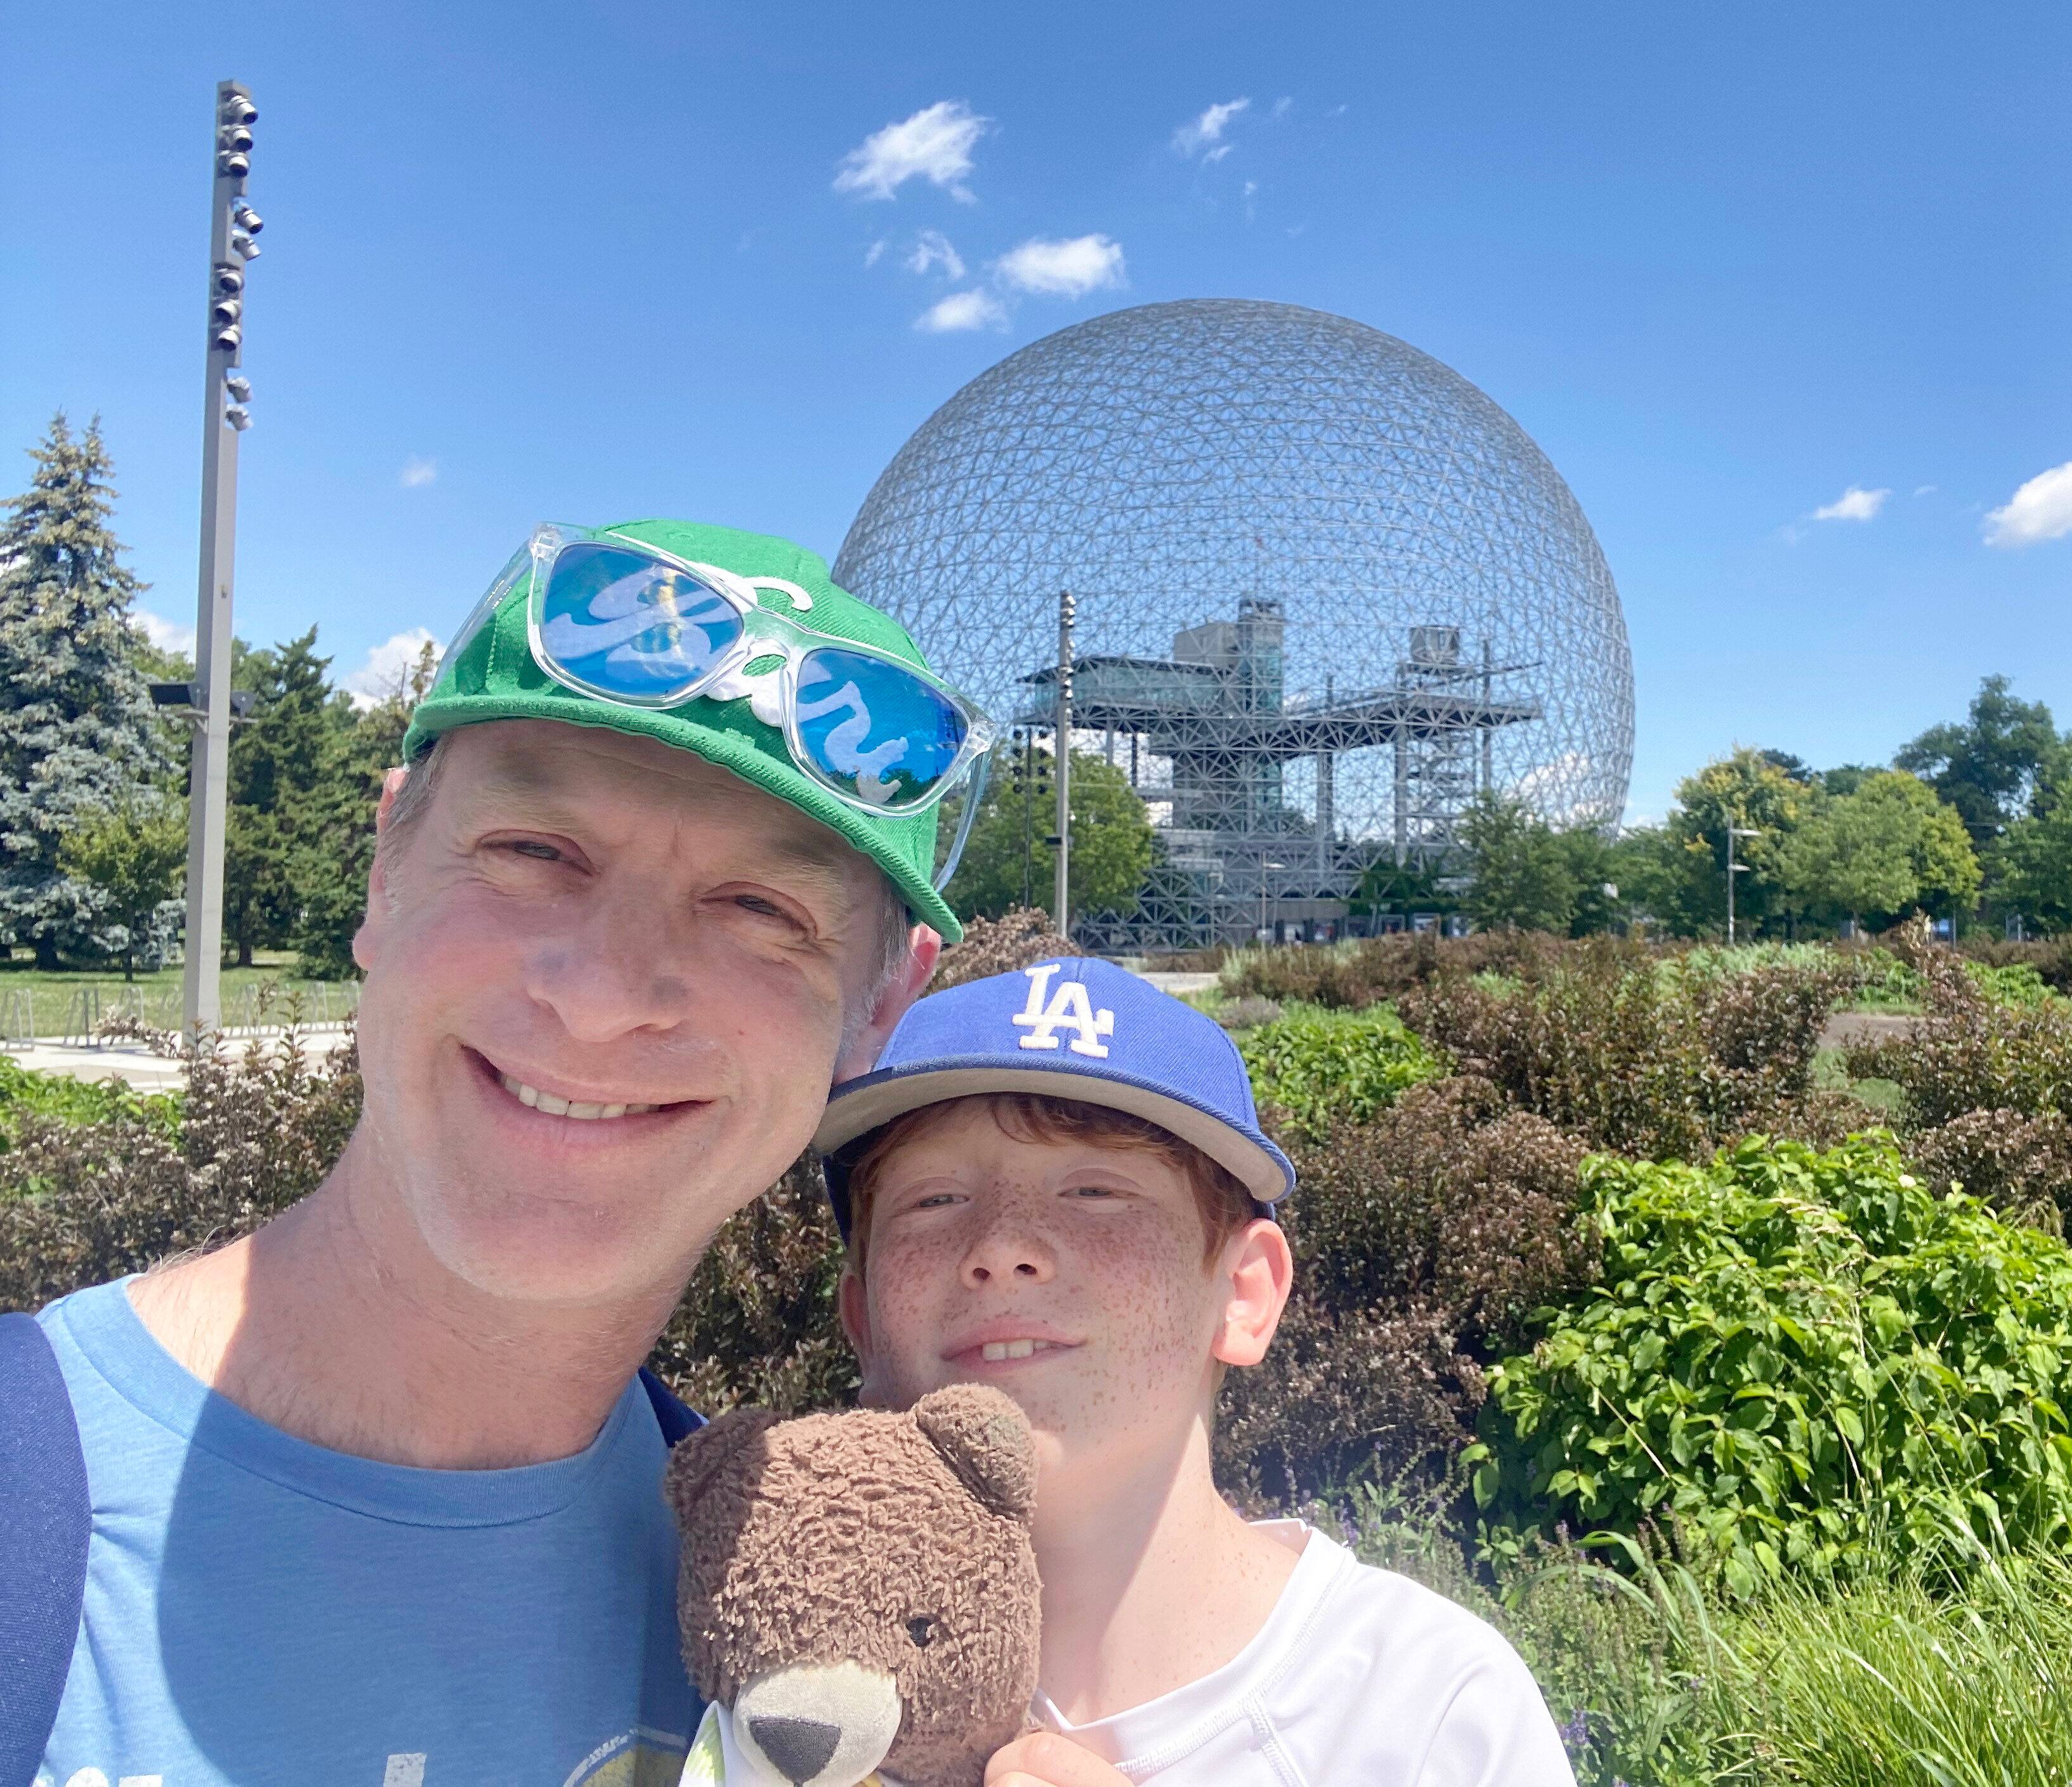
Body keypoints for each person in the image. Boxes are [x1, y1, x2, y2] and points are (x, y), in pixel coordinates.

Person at [16, 520, 989, 1787]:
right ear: (387, 870)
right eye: (534, 852)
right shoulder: (31, 1520)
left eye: (762, 910)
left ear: (878, 1012)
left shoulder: (803, 1672)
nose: (602, 994)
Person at [813, 957, 1577, 1787]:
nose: (1002, 1250)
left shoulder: (1429, 1715)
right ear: (862, 1316)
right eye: (935, 1200)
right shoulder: (788, 1692)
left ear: (1245, 1295)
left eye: (1096, 1190)